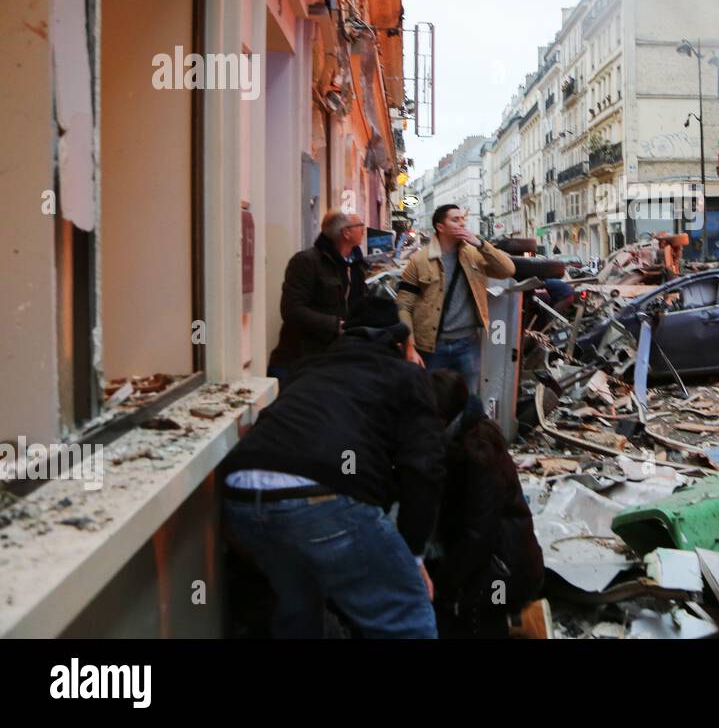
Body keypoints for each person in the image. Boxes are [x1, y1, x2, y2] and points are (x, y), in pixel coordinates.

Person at [221, 296, 446, 639]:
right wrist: (414, 555)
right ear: (402, 345)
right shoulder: (406, 376)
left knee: (300, 609)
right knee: (406, 617)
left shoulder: (309, 369)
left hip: (241, 494)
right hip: (322, 498)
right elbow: (424, 469)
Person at [426, 372, 545, 639]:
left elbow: (478, 536)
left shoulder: (477, 454)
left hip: (503, 570)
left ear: (442, 418)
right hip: (494, 563)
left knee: (463, 623)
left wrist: (443, 585)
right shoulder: (464, 437)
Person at [396, 204, 515, 395]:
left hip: (467, 343)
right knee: (430, 399)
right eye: (455, 219)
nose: (462, 223)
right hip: (432, 345)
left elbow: (507, 270)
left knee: (468, 398)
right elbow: (403, 305)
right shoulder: (420, 260)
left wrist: (480, 244)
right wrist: (410, 347)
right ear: (440, 227)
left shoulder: (473, 254)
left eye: (462, 219)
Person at [267, 209, 367, 382]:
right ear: (346, 233)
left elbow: (360, 304)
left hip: (338, 359)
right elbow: (291, 309)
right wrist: (335, 325)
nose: (364, 230)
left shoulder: (355, 266)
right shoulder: (306, 261)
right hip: (302, 361)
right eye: (360, 225)